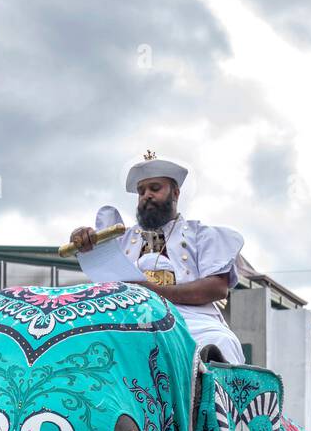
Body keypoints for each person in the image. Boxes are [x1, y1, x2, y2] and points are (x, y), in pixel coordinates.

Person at [68, 151, 245, 363]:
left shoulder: (201, 235)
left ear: (176, 194)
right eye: (141, 191)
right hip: (132, 318)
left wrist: (154, 292)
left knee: (220, 341)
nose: (146, 196)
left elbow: (216, 288)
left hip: (192, 320)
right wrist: (82, 238)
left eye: (155, 188)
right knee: (85, 340)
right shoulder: (120, 238)